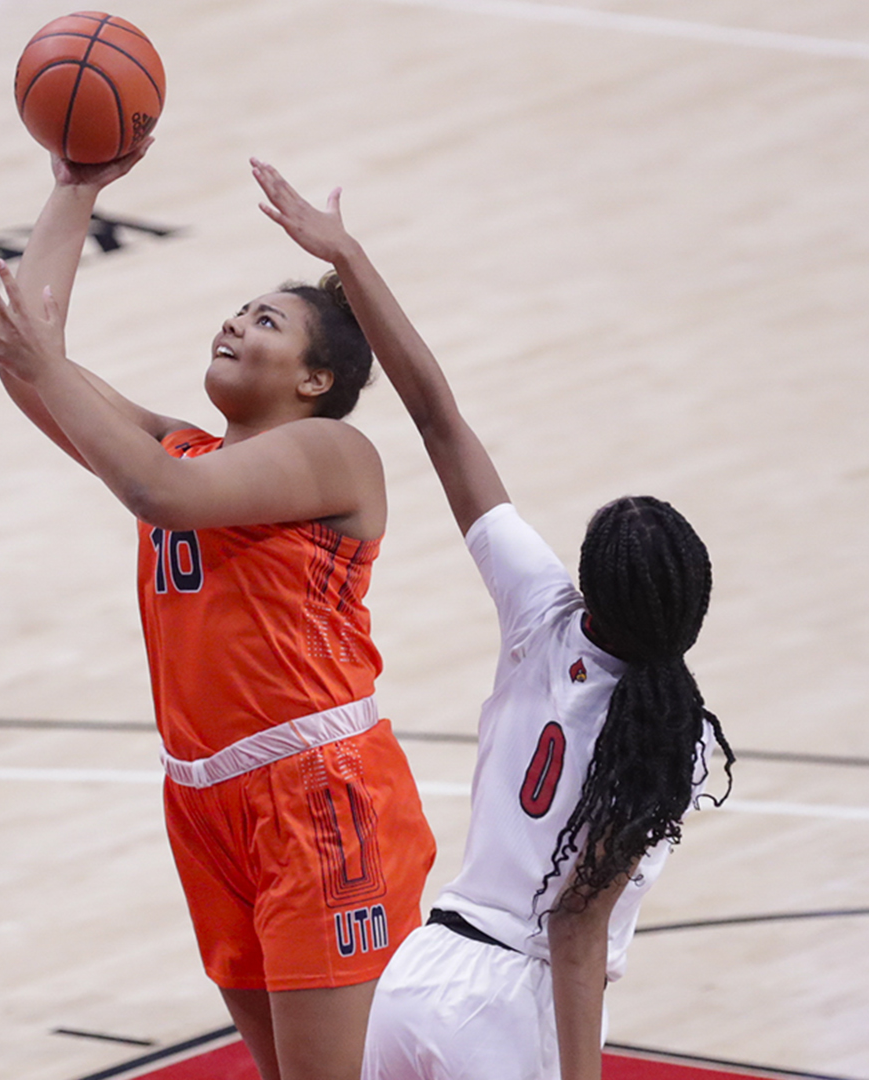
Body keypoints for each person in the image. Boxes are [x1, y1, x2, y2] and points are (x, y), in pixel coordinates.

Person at [0, 149, 436, 1080]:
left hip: (317, 793)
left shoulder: (335, 453)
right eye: (241, 308)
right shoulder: (184, 448)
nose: (234, 321)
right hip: (206, 798)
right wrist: (76, 187)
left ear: (313, 381)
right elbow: (34, 372)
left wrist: (48, 364)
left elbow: (157, 493)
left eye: (266, 321)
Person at [242, 163, 732, 1080]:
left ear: (588, 590)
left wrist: (346, 254)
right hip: (513, 1011)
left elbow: (436, 417)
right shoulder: (679, 740)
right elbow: (577, 933)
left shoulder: (541, 612)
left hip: (418, 978)